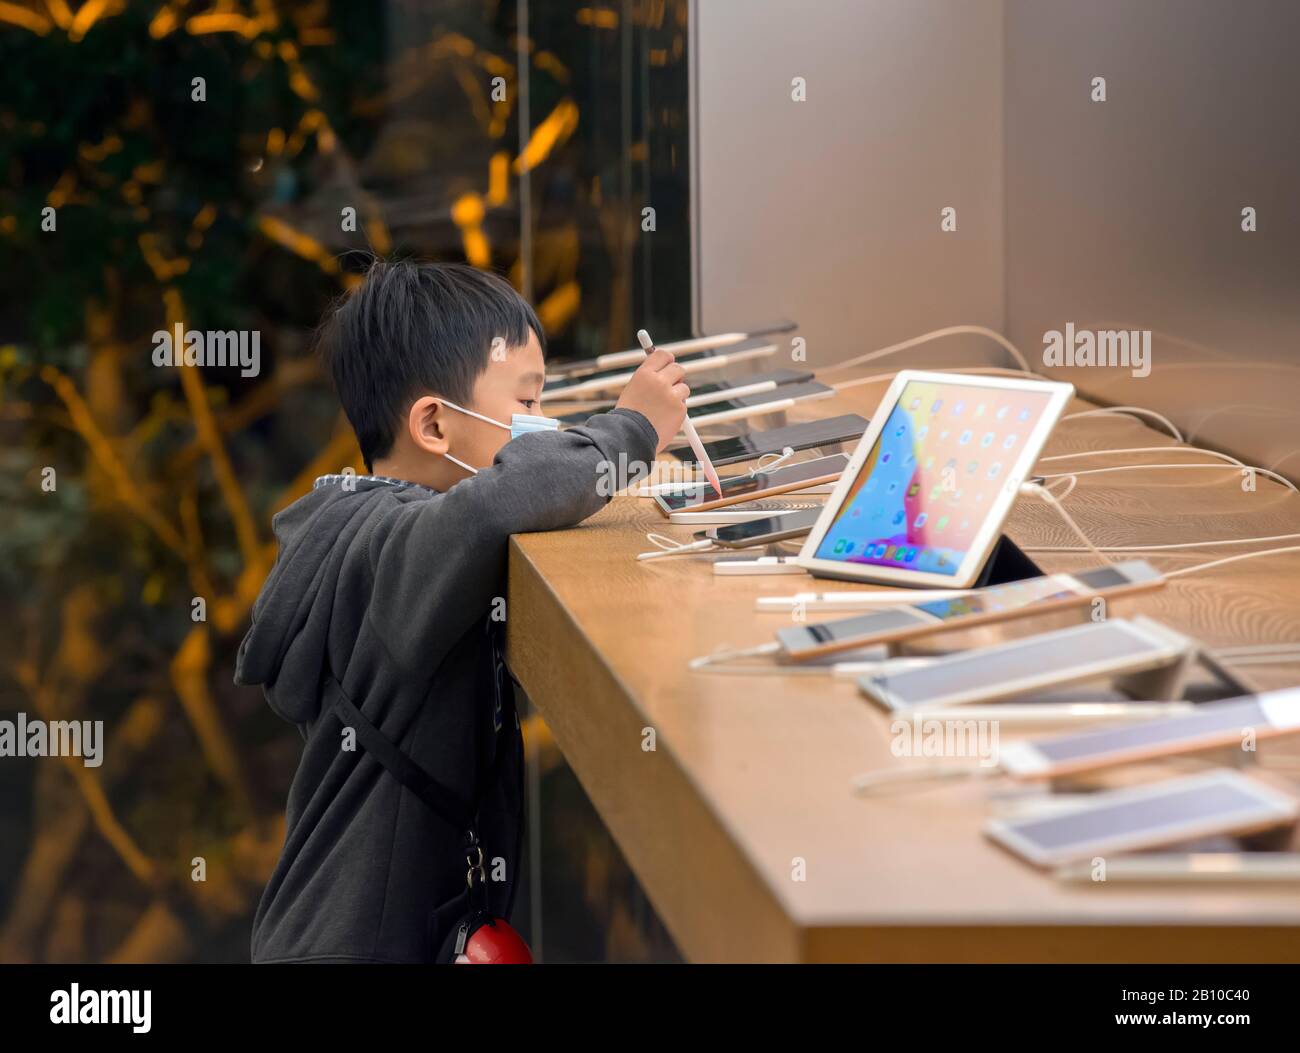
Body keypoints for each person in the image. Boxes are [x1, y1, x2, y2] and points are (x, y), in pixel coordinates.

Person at [234, 258, 688, 962]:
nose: (544, 425)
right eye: (529, 403)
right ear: (435, 426)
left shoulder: (368, 529)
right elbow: (493, 506)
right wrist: (631, 430)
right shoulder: (391, 550)